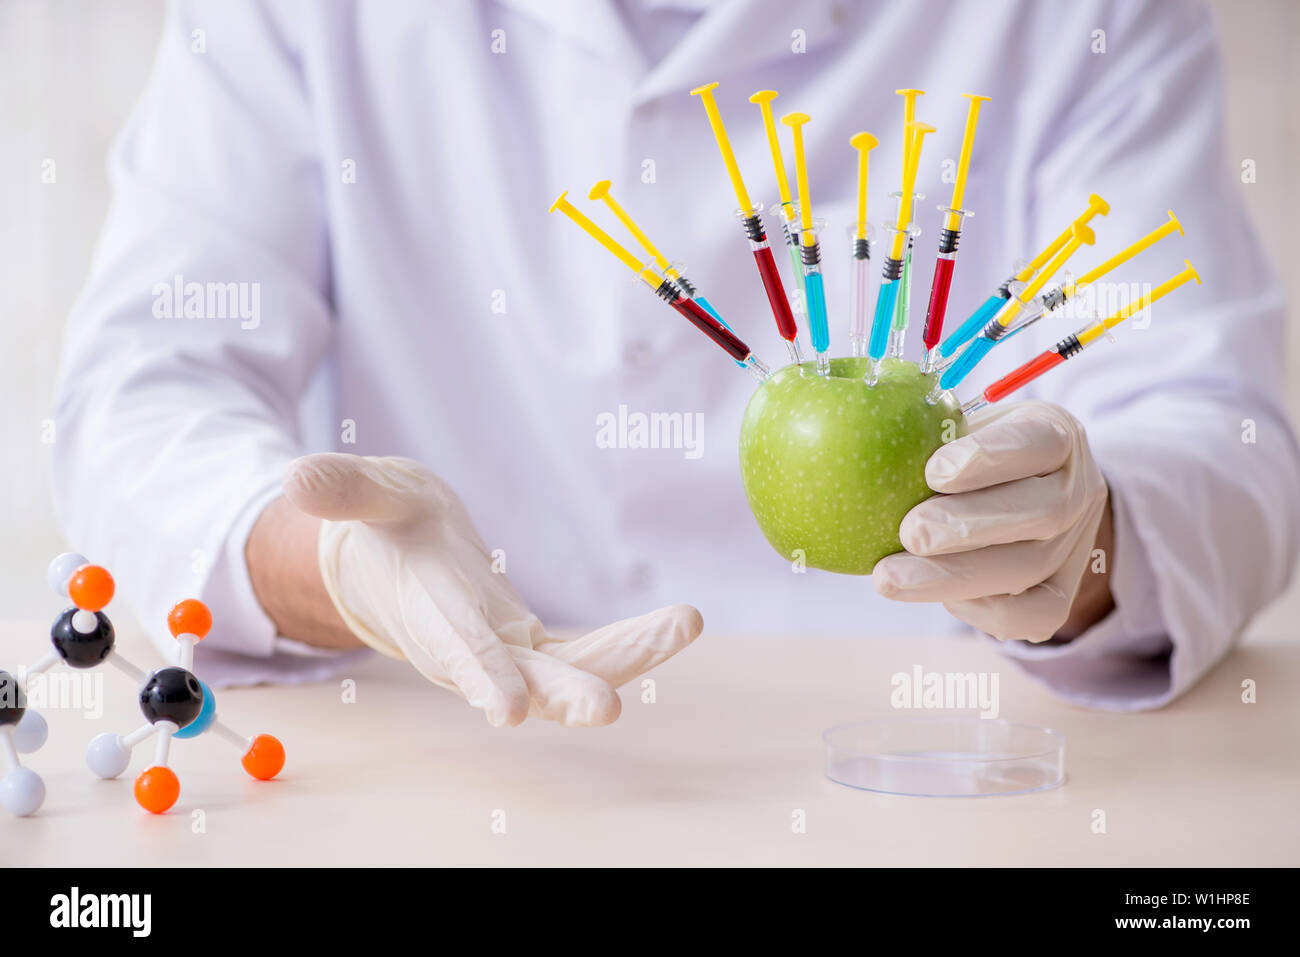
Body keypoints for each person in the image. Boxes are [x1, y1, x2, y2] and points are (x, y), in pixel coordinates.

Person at [53, 0, 1299, 721]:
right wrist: (328, 555)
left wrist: (1086, 543)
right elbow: (140, 394)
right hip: (458, 752)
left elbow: (1218, 429)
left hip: (944, 763)